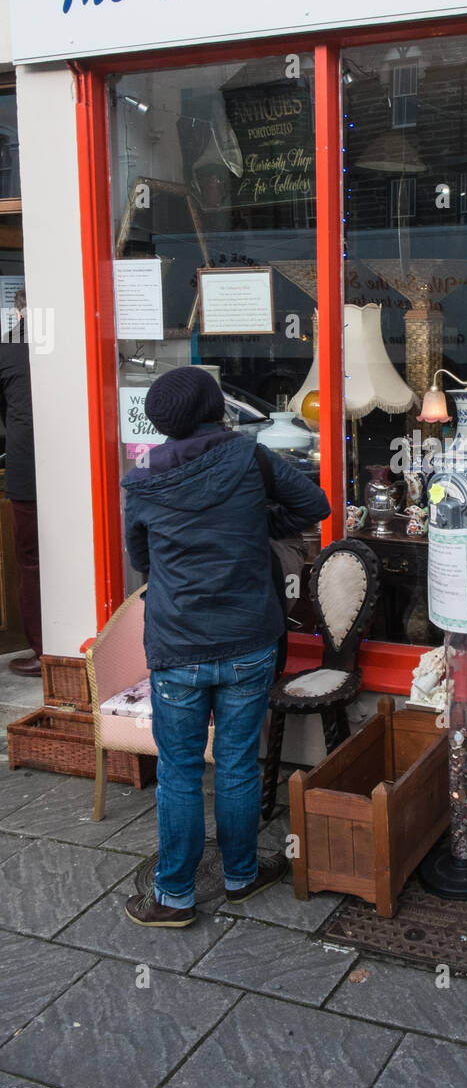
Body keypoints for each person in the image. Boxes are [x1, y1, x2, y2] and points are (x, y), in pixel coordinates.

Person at [121, 366, 330, 928]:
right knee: (238, 764)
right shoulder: (249, 457)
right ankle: (240, 878)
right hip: (248, 639)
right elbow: (316, 506)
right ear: (217, 408)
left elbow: (141, 559)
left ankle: (174, 897)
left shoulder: (140, 477)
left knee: (180, 771)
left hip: (177, 643)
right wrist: (259, 522)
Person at [0, 287, 42, 677]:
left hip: (27, 470)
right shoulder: (70, 343)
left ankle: (43, 651)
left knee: (31, 563)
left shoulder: (7, 348)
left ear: (18, 311)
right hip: (76, 466)